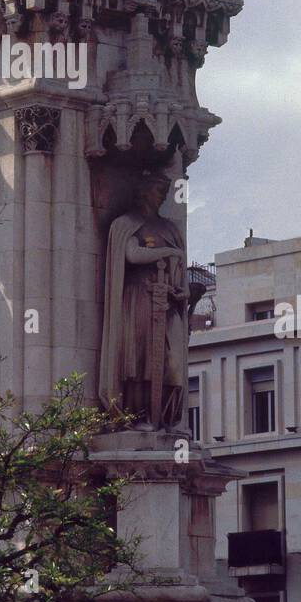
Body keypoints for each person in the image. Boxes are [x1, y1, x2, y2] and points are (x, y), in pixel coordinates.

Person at [99, 171, 189, 430]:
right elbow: (132, 254)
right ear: (144, 191)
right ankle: (137, 416)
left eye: (165, 190)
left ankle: (165, 417)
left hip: (167, 302)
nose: (163, 195)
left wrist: (181, 291)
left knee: (173, 364)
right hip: (138, 298)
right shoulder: (126, 223)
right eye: (159, 189)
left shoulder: (169, 228)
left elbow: (179, 269)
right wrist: (168, 251)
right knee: (139, 359)